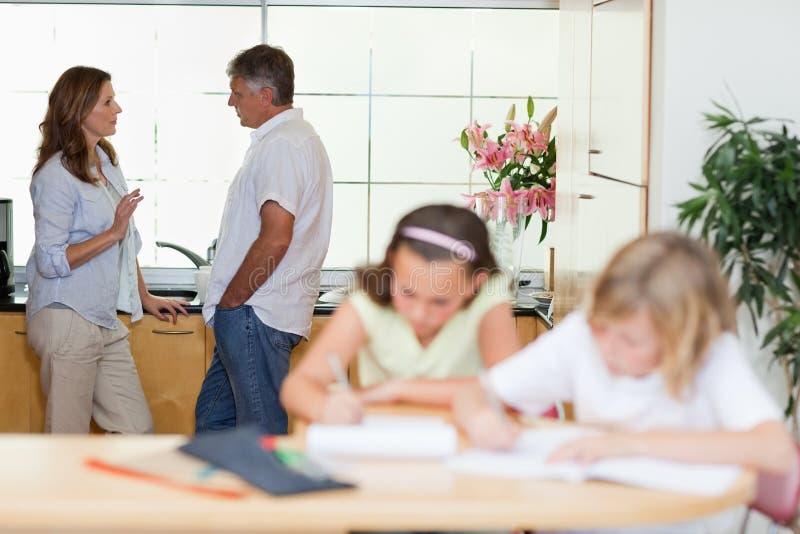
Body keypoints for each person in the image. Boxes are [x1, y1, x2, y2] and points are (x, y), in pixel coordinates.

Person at [454, 232, 795, 532]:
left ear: (680, 339)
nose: (608, 348)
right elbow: (475, 392)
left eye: (631, 341)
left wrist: (632, 444)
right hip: (585, 520)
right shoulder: (582, 335)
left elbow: (776, 450)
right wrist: (480, 418)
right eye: (601, 328)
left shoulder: (712, 357)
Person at [26, 66, 189, 434]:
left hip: (103, 317)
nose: (118, 109)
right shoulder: (54, 176)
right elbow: (51, 260)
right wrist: (112, 233)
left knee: (137, 431)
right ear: (80, 109)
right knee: (67, 439)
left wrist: (144, 295)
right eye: (108, 101)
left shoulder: (106, 162)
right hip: (65, 315)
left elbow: (125, 236)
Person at [194, 44, 333, 434]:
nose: (231, 102)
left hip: (256, 312)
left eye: (237, 93)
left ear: (265, 96)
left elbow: (276, 238)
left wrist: (233, 300)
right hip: (254, 313)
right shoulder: (290, 140)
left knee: (261, 433)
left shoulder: (282, 146)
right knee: (213, 422)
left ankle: (265, 481)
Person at [281, 204, 520, 424]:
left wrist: (397, 390)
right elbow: (296, 388)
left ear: (476, 283)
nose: (419, 314)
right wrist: (323, 407)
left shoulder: (488, 298)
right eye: (407, 293)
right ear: (392, 263)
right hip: (384, 438)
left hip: (461, 439)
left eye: (439, 302)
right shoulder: (366, 303)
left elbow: (511, 388)